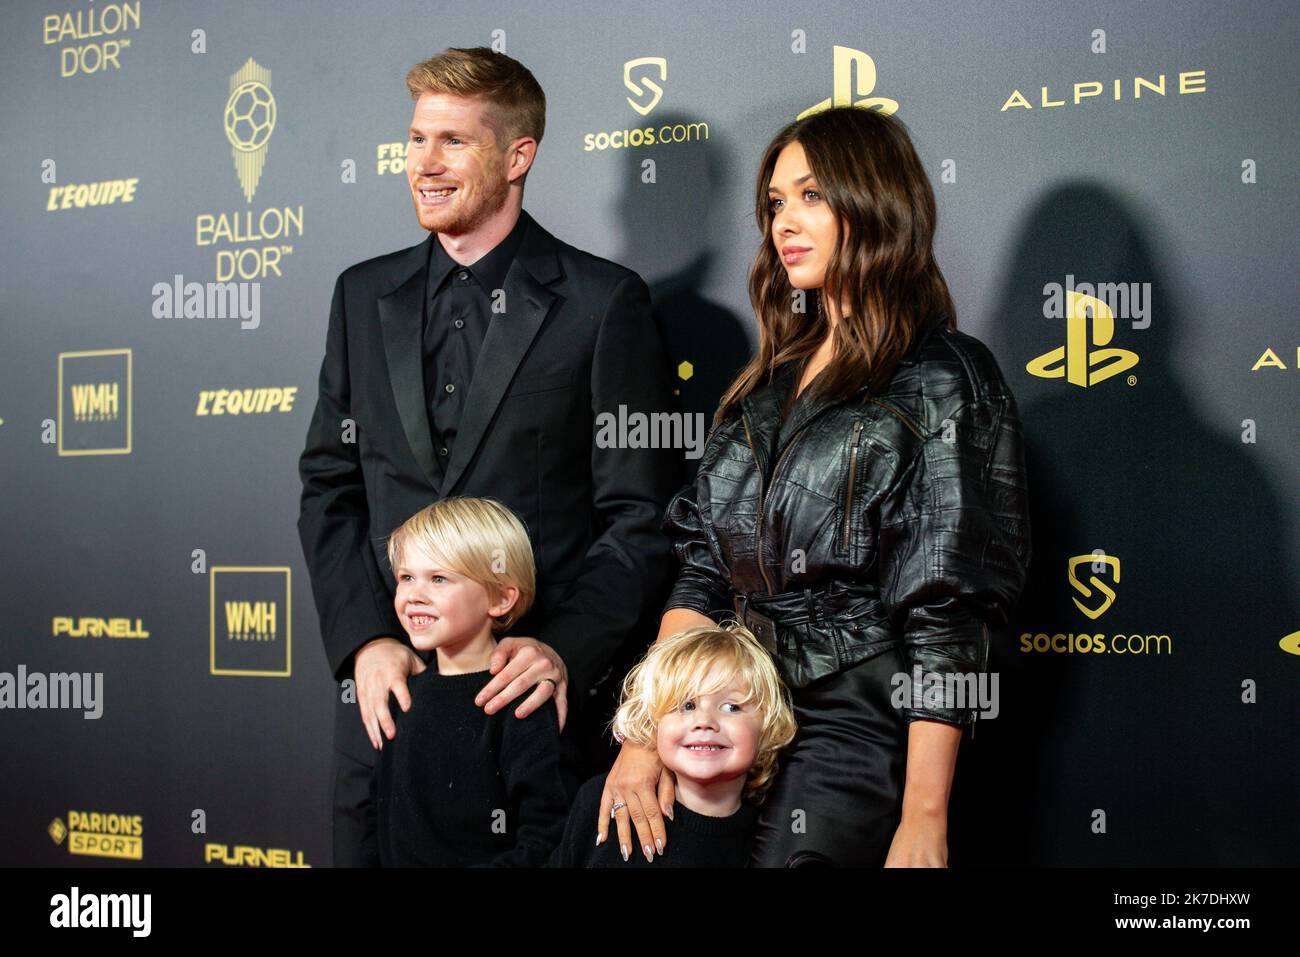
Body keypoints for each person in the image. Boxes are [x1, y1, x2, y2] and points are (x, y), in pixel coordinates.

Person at [597, 106, 1033, 867]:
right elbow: (702, 568)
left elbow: (948, 613)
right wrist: (645, 731)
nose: (784, 223)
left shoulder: (943, 377)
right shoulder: (767, 380)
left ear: (874, 205)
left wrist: (924, 815)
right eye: (774, 203)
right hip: (731, 710)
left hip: (854, 723)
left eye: (811, 196)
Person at [297, 47, 679, 867]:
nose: (423, 166)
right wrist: (367, 640)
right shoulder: (361, 297)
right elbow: (330, 485)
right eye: (415, 139)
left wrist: (560, 651)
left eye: (453, 143)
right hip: (387, 711)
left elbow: (638, 519)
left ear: (517, 156)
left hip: (529, 714)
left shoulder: (602, 304)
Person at [376, 497, 576, 867]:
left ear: (501, 597)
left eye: (438, 578)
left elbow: (546, 835)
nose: (414, 595)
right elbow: (382, 829)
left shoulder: (519, 700)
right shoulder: (401, 697)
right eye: (406, 577)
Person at [548, 621, 796, 867]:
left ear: (768, 726)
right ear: (653, 723)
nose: (704, 721)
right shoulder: (601, 799)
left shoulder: (775, 841)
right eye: (687, 706)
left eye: (731, 707)